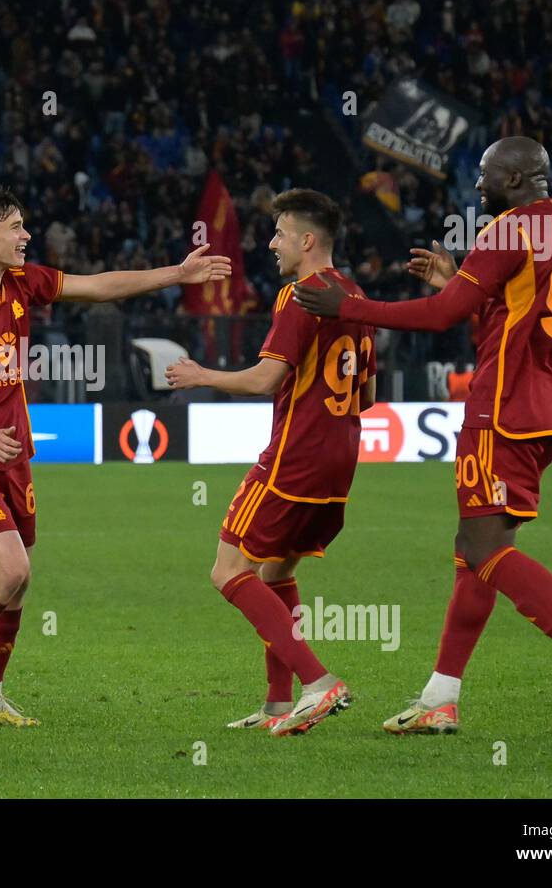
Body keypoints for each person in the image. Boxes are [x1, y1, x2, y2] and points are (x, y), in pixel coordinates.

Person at [294, 137, 552, 739]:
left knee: (485, 553)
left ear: (513, 177)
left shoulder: (508, 231)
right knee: (472, 551)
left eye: (484, 175)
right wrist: (457, 280)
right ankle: (441, 698)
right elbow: (508, 318)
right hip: (550, 409)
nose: (476, 186)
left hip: (501, 410)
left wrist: (348, 308)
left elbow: (440, 318)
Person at [0, 186, 230, 732]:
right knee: (8, 569)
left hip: (12, 450)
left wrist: (174, 275)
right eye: (15, 226)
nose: (26, 235)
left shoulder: (21, 281)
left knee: (20, 579)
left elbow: (100, 286)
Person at [166, 189, 375, 735]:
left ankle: (319, 683)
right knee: (277, 571)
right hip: (340, 462)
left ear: (307, 241)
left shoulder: (299, 296)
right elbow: (369, 395)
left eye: (280, 233)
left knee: (228, 571)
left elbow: (265, 379)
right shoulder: (354, 296)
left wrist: (201, 376)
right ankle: (280, 703)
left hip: (293, 459)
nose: (271, 242)